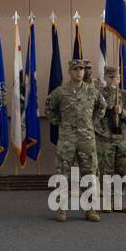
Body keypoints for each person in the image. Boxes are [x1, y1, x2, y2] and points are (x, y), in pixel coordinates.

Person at [44, 58, 106, 222]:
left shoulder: (92, 91)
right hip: (67, 139)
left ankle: (90, 209)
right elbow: (49, 109)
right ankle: (61, 209)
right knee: (62, 174)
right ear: (70, 71)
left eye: (82, 69)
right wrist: (61, 123)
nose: (79, 72)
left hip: (87, 139)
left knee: (90, 174)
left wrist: (92, 123)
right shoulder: (60, 92)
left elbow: (102, 107)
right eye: (76, 69)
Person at [94, 64, 126, 210]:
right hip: (105, 139)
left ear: (120, 79)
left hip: (122, 139)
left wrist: (123, 112)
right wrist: (106, 110)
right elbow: (92, 116)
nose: (114, 80)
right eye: (111, 77)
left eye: (116, 77)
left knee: (123, 171)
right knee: (106, 172)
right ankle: (108, 201)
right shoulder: (98, 95)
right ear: (105, 78)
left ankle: (118, 201)